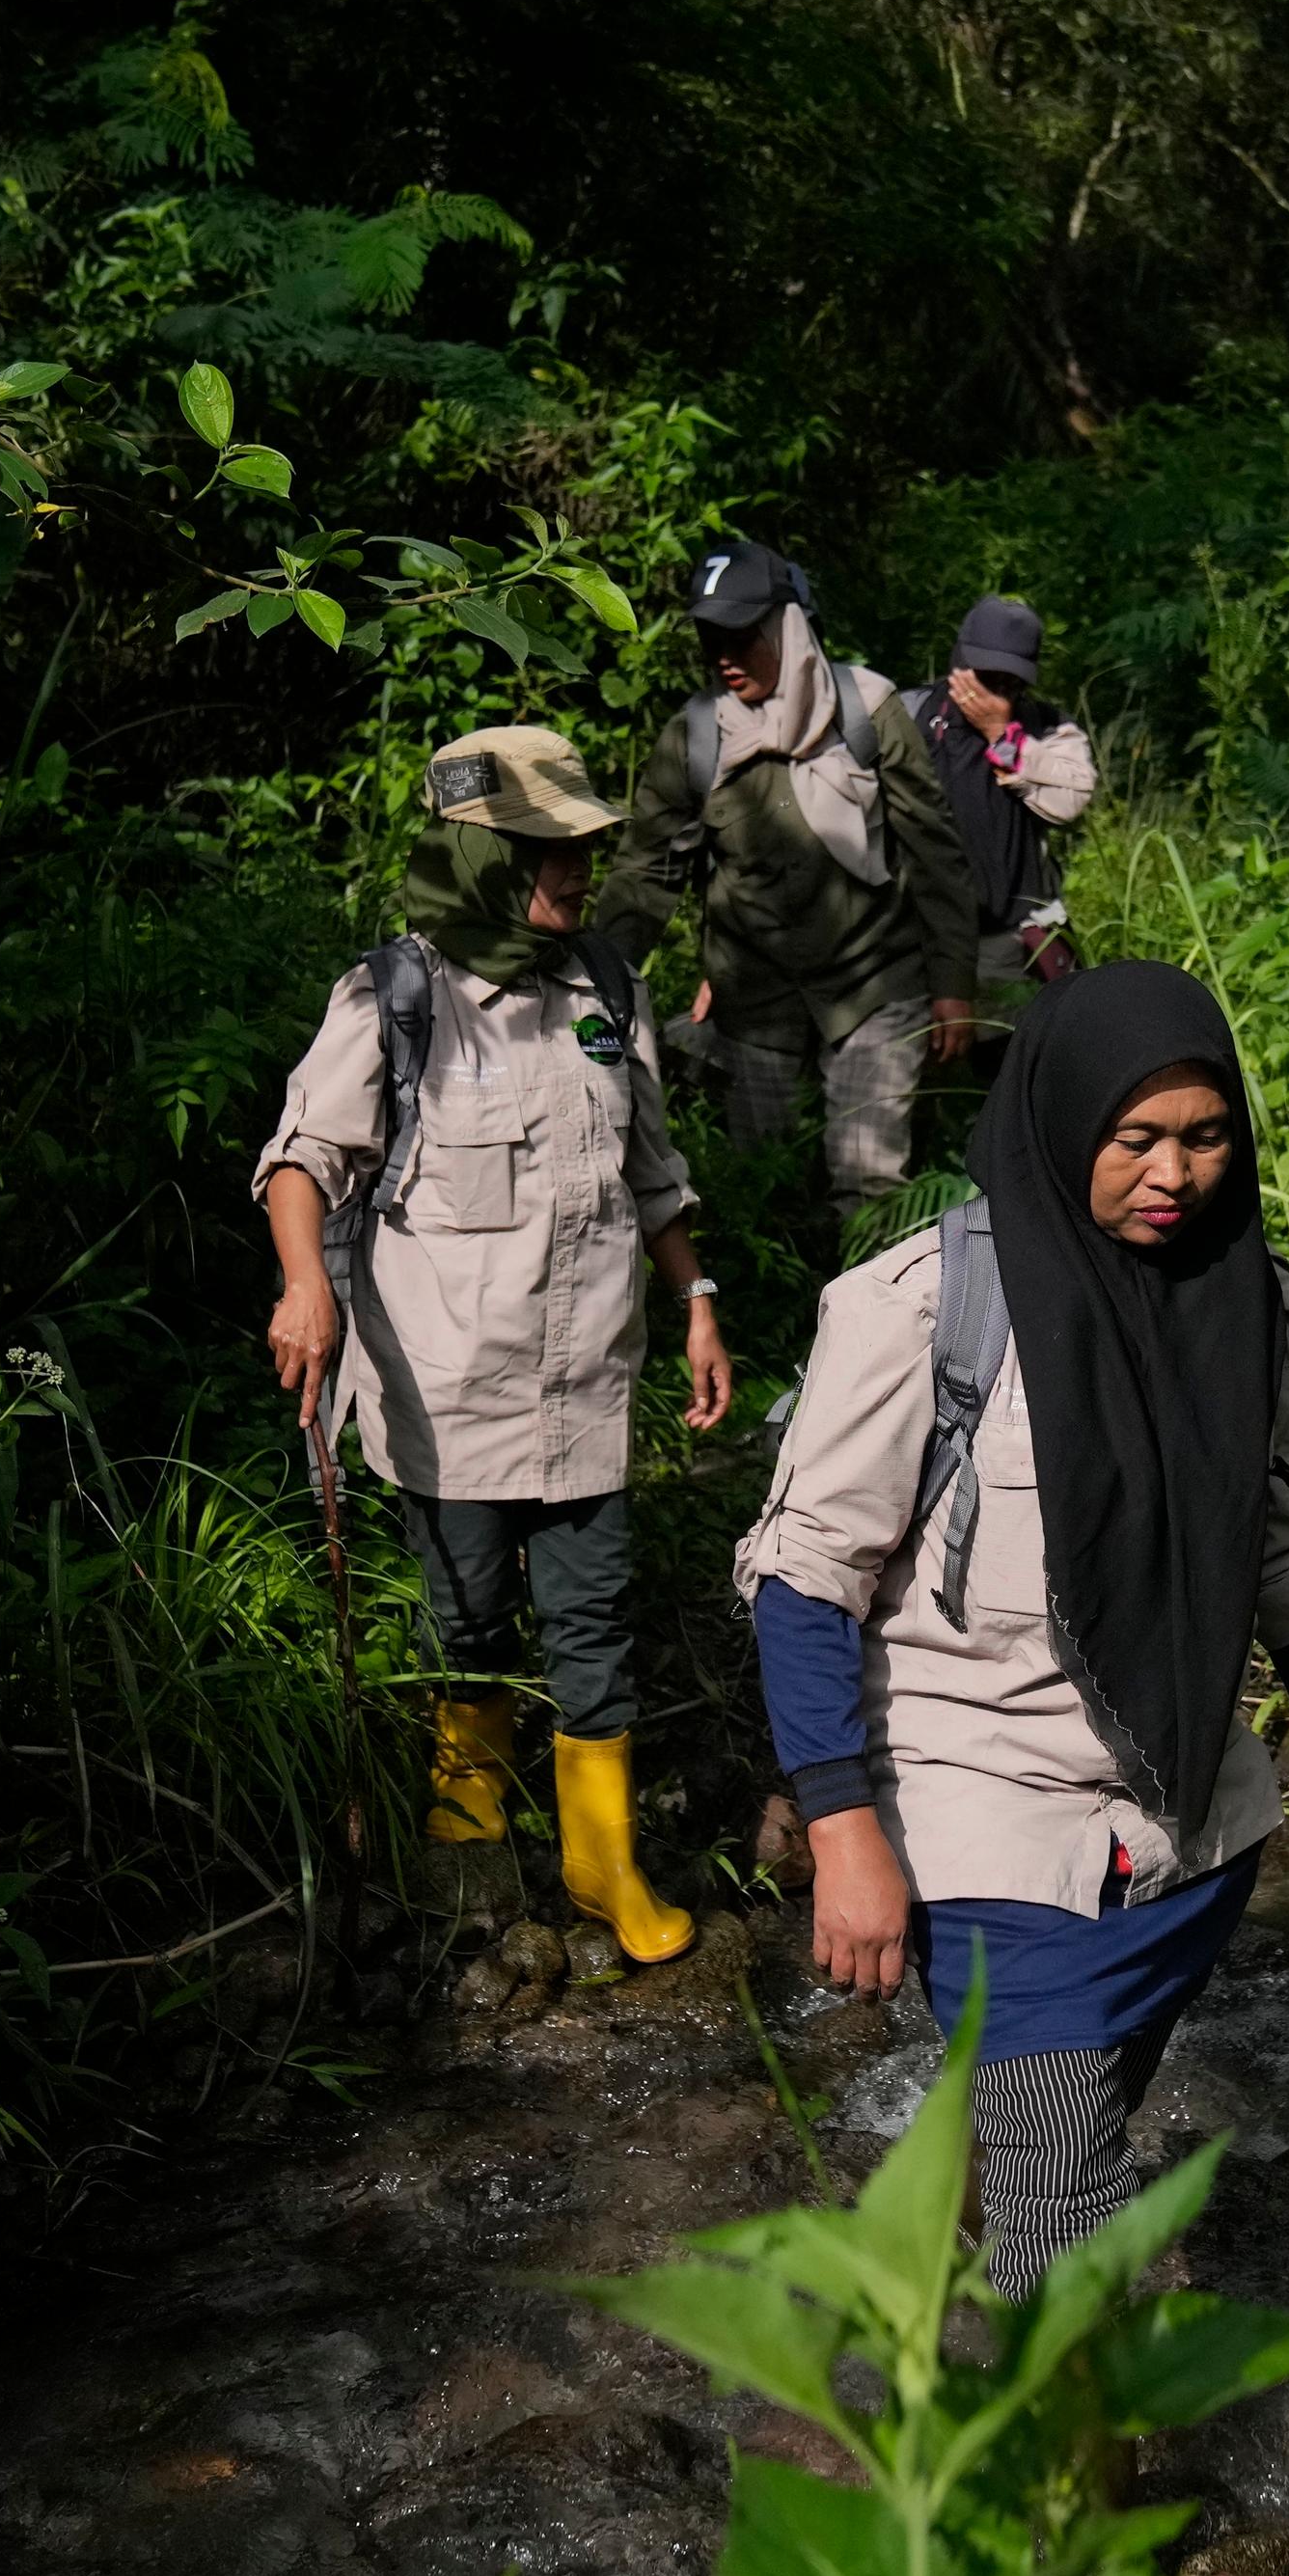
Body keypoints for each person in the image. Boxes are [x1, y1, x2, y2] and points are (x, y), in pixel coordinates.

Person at [734, 962, 1289, 2287]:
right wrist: (841, 1828)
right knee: (1066, 2229)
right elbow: (806, 1575)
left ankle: (955, 2267)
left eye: (1206, 1137)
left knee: (1064, 2144)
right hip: (983, 1814)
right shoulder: (922, 1308)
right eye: (1137, 1139)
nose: (1175, 1175)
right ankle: (1054, 2405)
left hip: (1186, 1830)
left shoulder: (1252, 1302)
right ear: (1063, 1125)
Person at [258, 724, 737, 1967]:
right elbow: (302, 1159)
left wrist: (695, 1300)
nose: (578, 871)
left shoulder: (607, 991)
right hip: (450, 1392)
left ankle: (599, 1862)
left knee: (593, 1617)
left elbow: (649, 1174)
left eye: (583, 848)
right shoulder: (394, 1000)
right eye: (547, 850)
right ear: (481, 859)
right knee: (464, 1619)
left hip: (585, 1386)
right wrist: (304, 1288)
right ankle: (466, 1822)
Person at [600, 536, 977, 1213]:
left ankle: (878, 1281)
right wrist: (601, 986)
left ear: (788, 628)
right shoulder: (696, 736)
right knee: (760, 1183)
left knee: (868, 1181)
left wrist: (953, 984)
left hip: (875, 981)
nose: (724, 656)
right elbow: (646, 873)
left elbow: (933, 852)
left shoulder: (866, 711)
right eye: (711, 638)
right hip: (754, 995)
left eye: (743, 637)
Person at [906, 592, 1097, 997]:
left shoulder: (1043, 726)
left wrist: (1002, 737)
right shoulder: (910, 717)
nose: (999, 690)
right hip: (917, 942)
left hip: (1011, 944)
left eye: (1012, 681)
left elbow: (1074, 799)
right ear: (960, 663)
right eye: (988, 675)